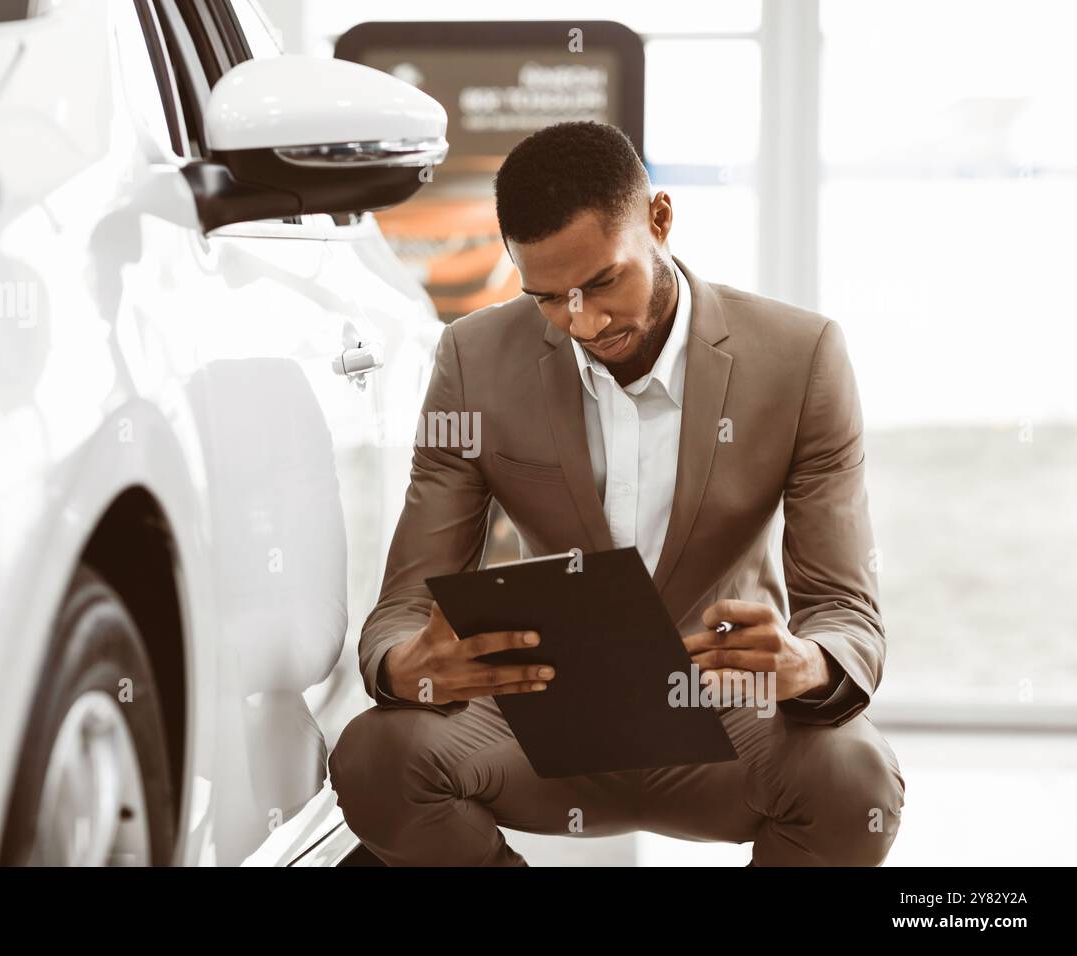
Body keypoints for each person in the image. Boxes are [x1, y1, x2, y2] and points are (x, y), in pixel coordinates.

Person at [329, 121, 904, 866]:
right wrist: (406, 665)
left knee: (853, 780)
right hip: (542, 725)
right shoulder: (474, 360)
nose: (585, 322)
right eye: (548, 299)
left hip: (728, 722)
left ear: (659, 220)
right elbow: (403, 604)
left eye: (603, 282)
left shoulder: (800, 358)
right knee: (377, 756)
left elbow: (846, 610)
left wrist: (810, 664)